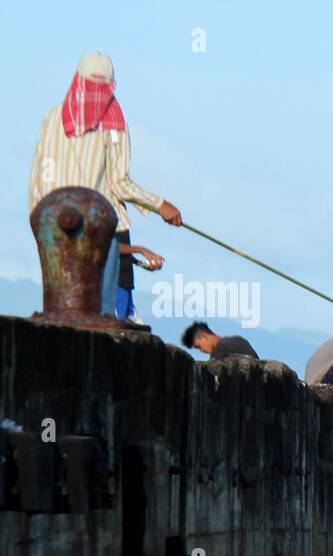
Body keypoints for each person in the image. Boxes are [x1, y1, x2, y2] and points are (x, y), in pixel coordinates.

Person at [28, 52, 182, 320]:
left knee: (60, 309)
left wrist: (41, 223)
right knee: (101, 312)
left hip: (53, 224)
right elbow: (119, 184)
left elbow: (38, 179)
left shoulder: (52, 118)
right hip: (98, 226)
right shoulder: (113, 124)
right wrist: (160, 205)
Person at [181, 322, 259, 359]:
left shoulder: (219, 350)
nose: (201, 351)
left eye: (198, 347)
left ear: (204, 336)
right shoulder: (239, 340)